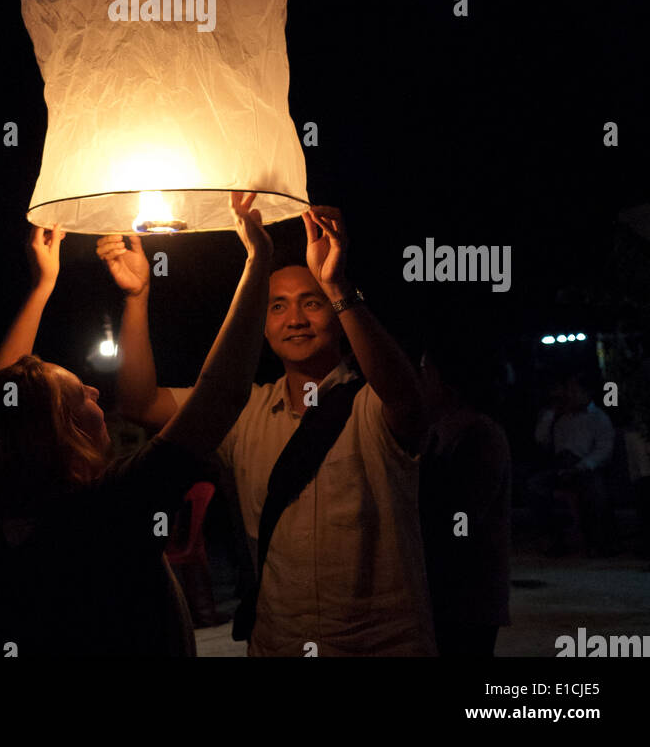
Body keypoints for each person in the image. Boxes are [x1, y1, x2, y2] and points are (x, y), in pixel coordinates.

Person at [106, 204, 437, 656]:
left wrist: (338, 284)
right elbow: (139, 401)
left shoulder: (371, 406)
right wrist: (137, 296)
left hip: (381, 644)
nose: (295, 319)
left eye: (312, 302)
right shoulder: (244, 414)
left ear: (337, 315)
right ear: (260, 325)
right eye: (277, 306)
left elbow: (409, 399)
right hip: (278, 642)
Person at [0, 191, 273, 657]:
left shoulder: (2, 522)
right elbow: (221, 395)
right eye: (80, 395)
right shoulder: (110, 505)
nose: (96, 392)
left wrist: (43, 287)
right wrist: (256, 265)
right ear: (61, 431)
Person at [418, 341, 511, 656]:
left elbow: (462, 515)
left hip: (468, 594)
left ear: (447, 384)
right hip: (449, 591)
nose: (418, 382)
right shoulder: (438, 430)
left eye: (425, 373)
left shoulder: (479, 434)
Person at [529, 372, 616, 555]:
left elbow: (604, 449)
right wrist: (551, 414)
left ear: (586, 393)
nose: (569, 394)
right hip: (560, 466)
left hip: (584, 466)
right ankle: (553, 539)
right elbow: (541, 440)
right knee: (535, 486)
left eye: (574, 390)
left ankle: (598, 541)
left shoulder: (598, 417)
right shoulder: (560, 417)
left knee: (595, 490)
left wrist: (582, 466)